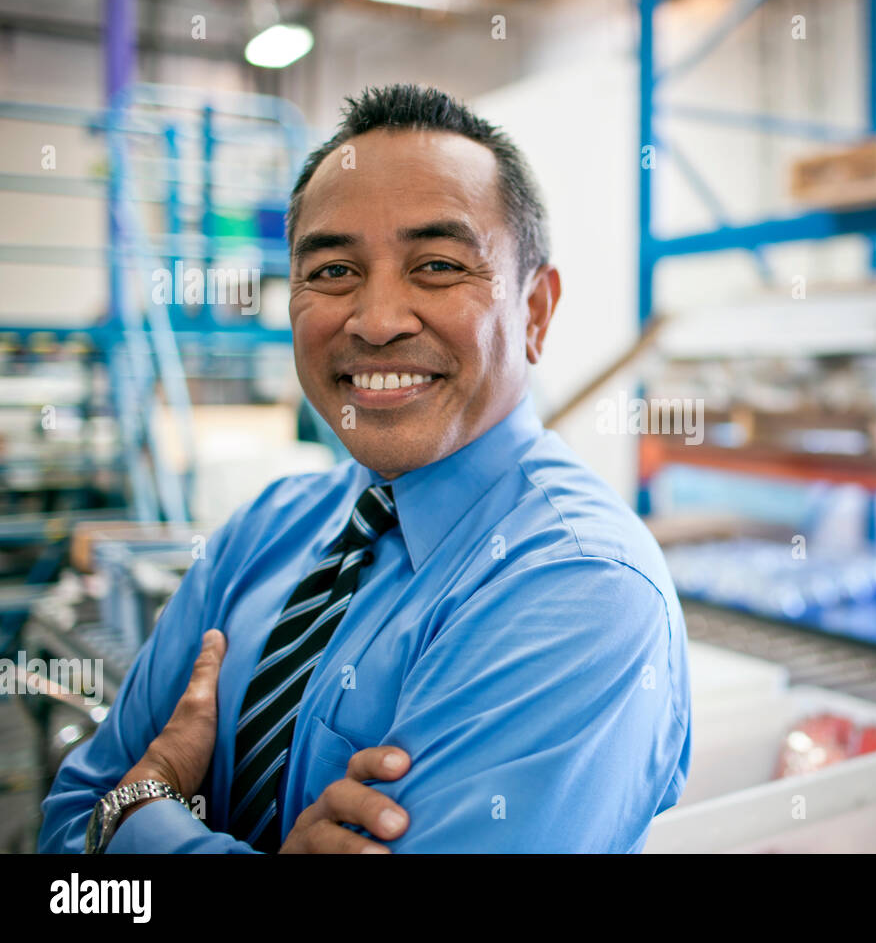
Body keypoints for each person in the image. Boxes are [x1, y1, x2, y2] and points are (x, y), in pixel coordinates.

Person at [39, 84, 691, 854]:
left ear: (536, 311)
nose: (377, 321)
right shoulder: (269, 526)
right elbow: (66, 827)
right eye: (334, 272)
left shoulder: (581, 589)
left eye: (440, 265)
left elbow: (103, 829)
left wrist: (142, 811)